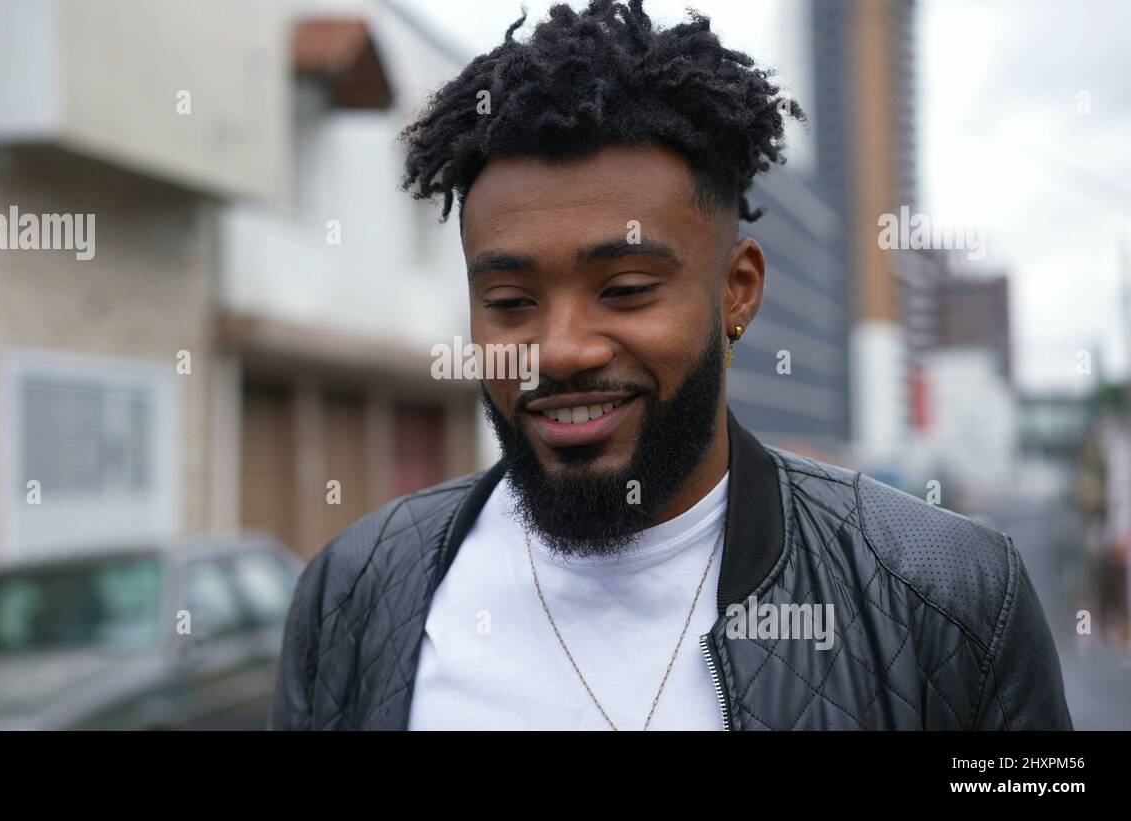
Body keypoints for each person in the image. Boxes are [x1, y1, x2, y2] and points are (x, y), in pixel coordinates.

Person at [272, 0, 1072, 730]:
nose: (561, 350)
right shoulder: (356, 590)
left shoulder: (948, 598)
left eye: (623, 290)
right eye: (511, 301)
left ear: (738, 289)